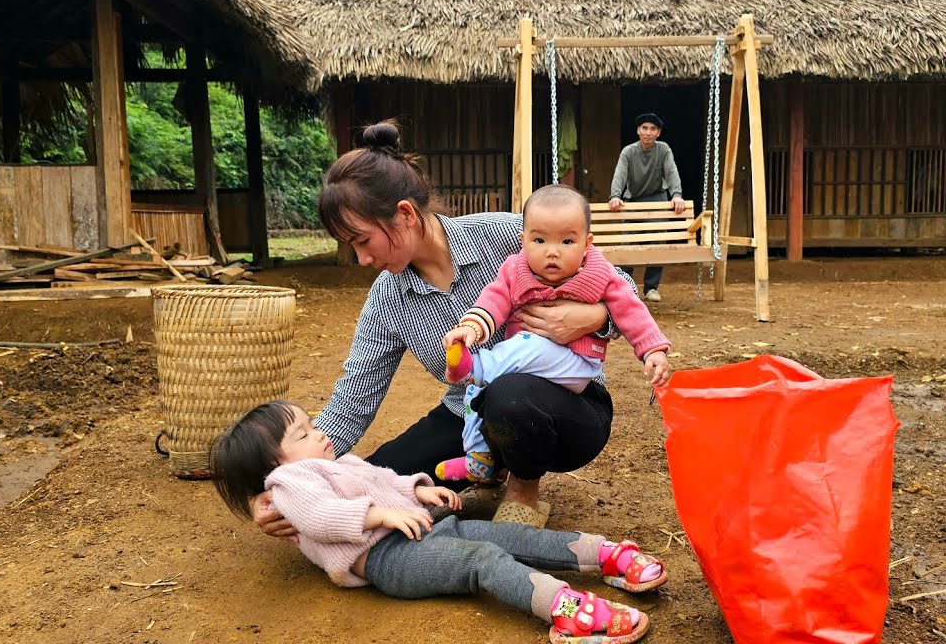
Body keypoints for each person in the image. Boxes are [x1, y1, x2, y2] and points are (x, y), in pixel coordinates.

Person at [252, 120, 631, 534]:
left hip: (569, 409)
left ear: (405, 215)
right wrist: (292, 485)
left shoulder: (505, 235)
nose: (361, 259)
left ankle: (523, 491)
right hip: (468, 417)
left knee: (508, 394)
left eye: (363, 241)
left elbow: (622, 286)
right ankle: (490, 463)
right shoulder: (388, 298)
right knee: (379, 480)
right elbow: (351, 404)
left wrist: (595, 317)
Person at [212, 401, 668, 644]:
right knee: (483, 559)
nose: (322, 433)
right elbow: (322, 515)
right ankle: (566, 611)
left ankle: (601, 553)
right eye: (305, 434)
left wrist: (417, 490)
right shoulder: (288, 482)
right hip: (386, 558)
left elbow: (381, 476)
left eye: (314, 425)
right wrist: (381, 514)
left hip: (424, 526)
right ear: (272, 464)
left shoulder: (332, 461)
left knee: (511, 535)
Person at [435, 184, 673, 485]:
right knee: (475, 393)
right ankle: (478, 459)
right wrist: (472, 326)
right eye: (539, 239)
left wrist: (653, 350)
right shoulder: (514, 270)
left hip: (574, 364)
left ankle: (476, 366)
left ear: (587, 243)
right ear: (523, 241)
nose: (552, 251)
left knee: (525, 345)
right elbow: (493, 300)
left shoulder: (600, 274)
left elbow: (630, 309)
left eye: (567, 241)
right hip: (526, 373)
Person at [607, 113, 686, 303]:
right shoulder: (628, 152)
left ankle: (651, 288)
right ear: (638, 131)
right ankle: (627, 287)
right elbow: (620, 174)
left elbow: (672, 171)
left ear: (658, 133)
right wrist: (615, 196)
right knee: (629, 244)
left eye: (652, 129)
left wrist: (676, 195)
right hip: (632, 200)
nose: (648, 133)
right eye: (644, 128)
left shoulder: (663, 150)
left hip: (657, 197)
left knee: (658, 242)